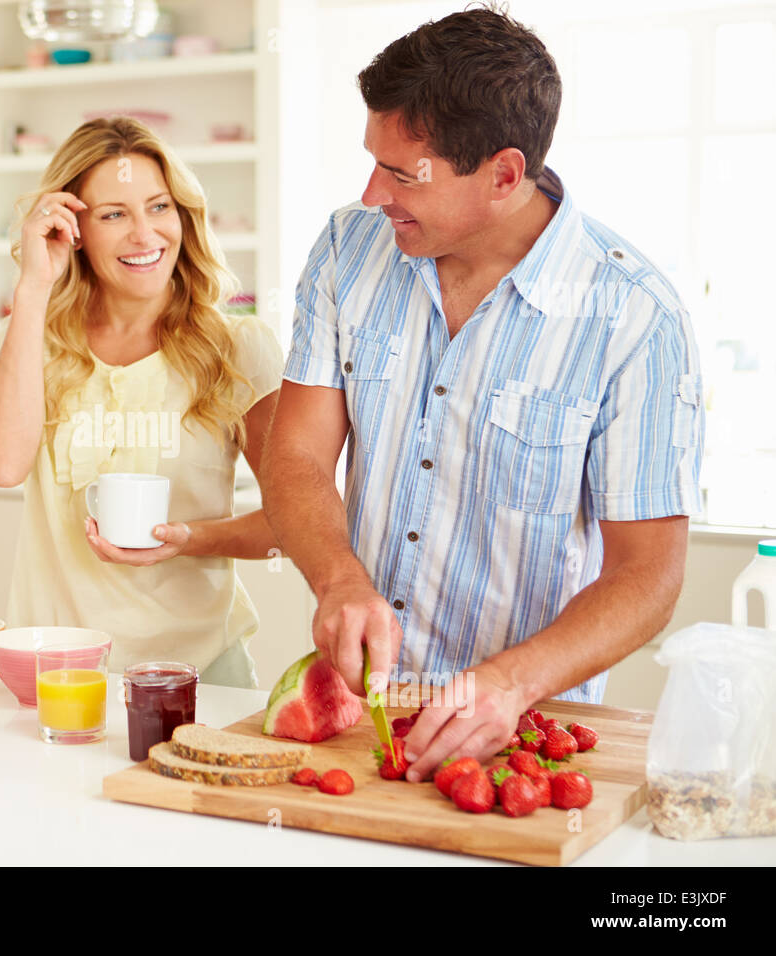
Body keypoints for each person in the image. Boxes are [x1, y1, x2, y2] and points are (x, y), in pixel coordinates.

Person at [262, 8, 703, 779]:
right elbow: (296, 454)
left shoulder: (635, 316)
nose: (372, 195)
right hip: (361, 732)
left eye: (403, 175)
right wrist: (337, 578)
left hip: (519, 740)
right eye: (375, 162)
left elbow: (648, 575)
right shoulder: (344, 251)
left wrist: (509, 684)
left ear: (503, 174)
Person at [0, 117, 284, 688]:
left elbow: (294, 520)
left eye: (160, 207)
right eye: (114, 214)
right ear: (74, 230)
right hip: (56, 669)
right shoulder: (27, 340)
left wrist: (190, 539)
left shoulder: (239, 347)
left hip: (201, 673)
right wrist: (33, 288)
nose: (146, 235)